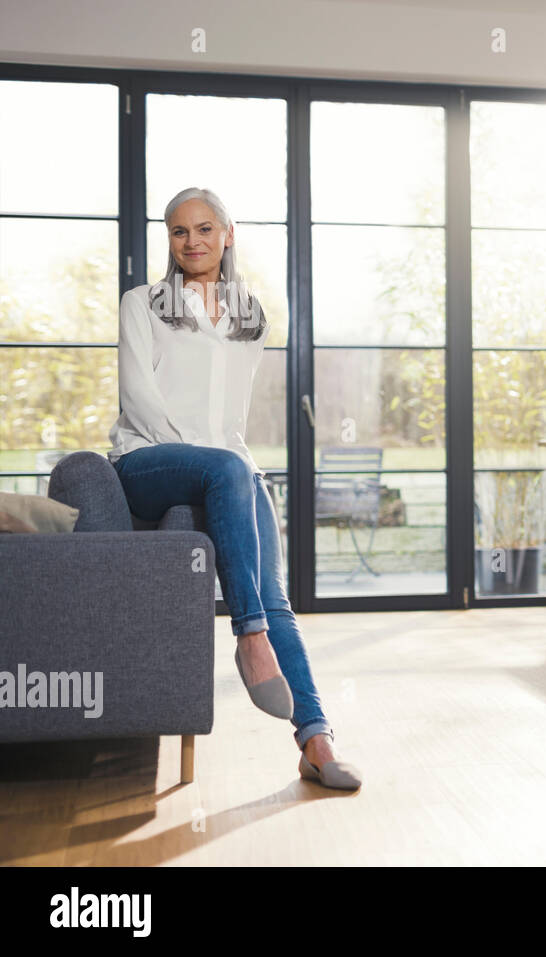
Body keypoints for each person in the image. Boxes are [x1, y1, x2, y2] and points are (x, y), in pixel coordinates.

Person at [107, 186, 361, 791]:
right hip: (147, 459)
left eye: (203, 229)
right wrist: (210, 462)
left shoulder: (251, 313)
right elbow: (139, 400)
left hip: (228, 466)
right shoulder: (142, 304)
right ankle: (248, 639)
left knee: (275, 596)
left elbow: (232, 418)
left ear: (227, 234)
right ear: (168, 241)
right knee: (226, 468)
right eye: (178, 232)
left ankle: (317, 740)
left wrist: (229, 468)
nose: (191, 242)